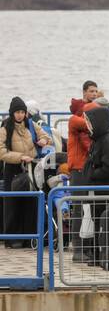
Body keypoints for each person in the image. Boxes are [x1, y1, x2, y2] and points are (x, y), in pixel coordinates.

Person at [2, 97, 52, 246]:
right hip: (14, 169)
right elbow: (2, 152)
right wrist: (20, 157)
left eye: (22, 112)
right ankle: (13, 239)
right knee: (13, 204)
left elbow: (46, 136)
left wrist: (44, 140)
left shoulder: (31, 124)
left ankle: (30, 237)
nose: (20, 115)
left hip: (30, 168)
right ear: (12, 113)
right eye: (17, 112)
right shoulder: (5, 129)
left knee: (30, 202)